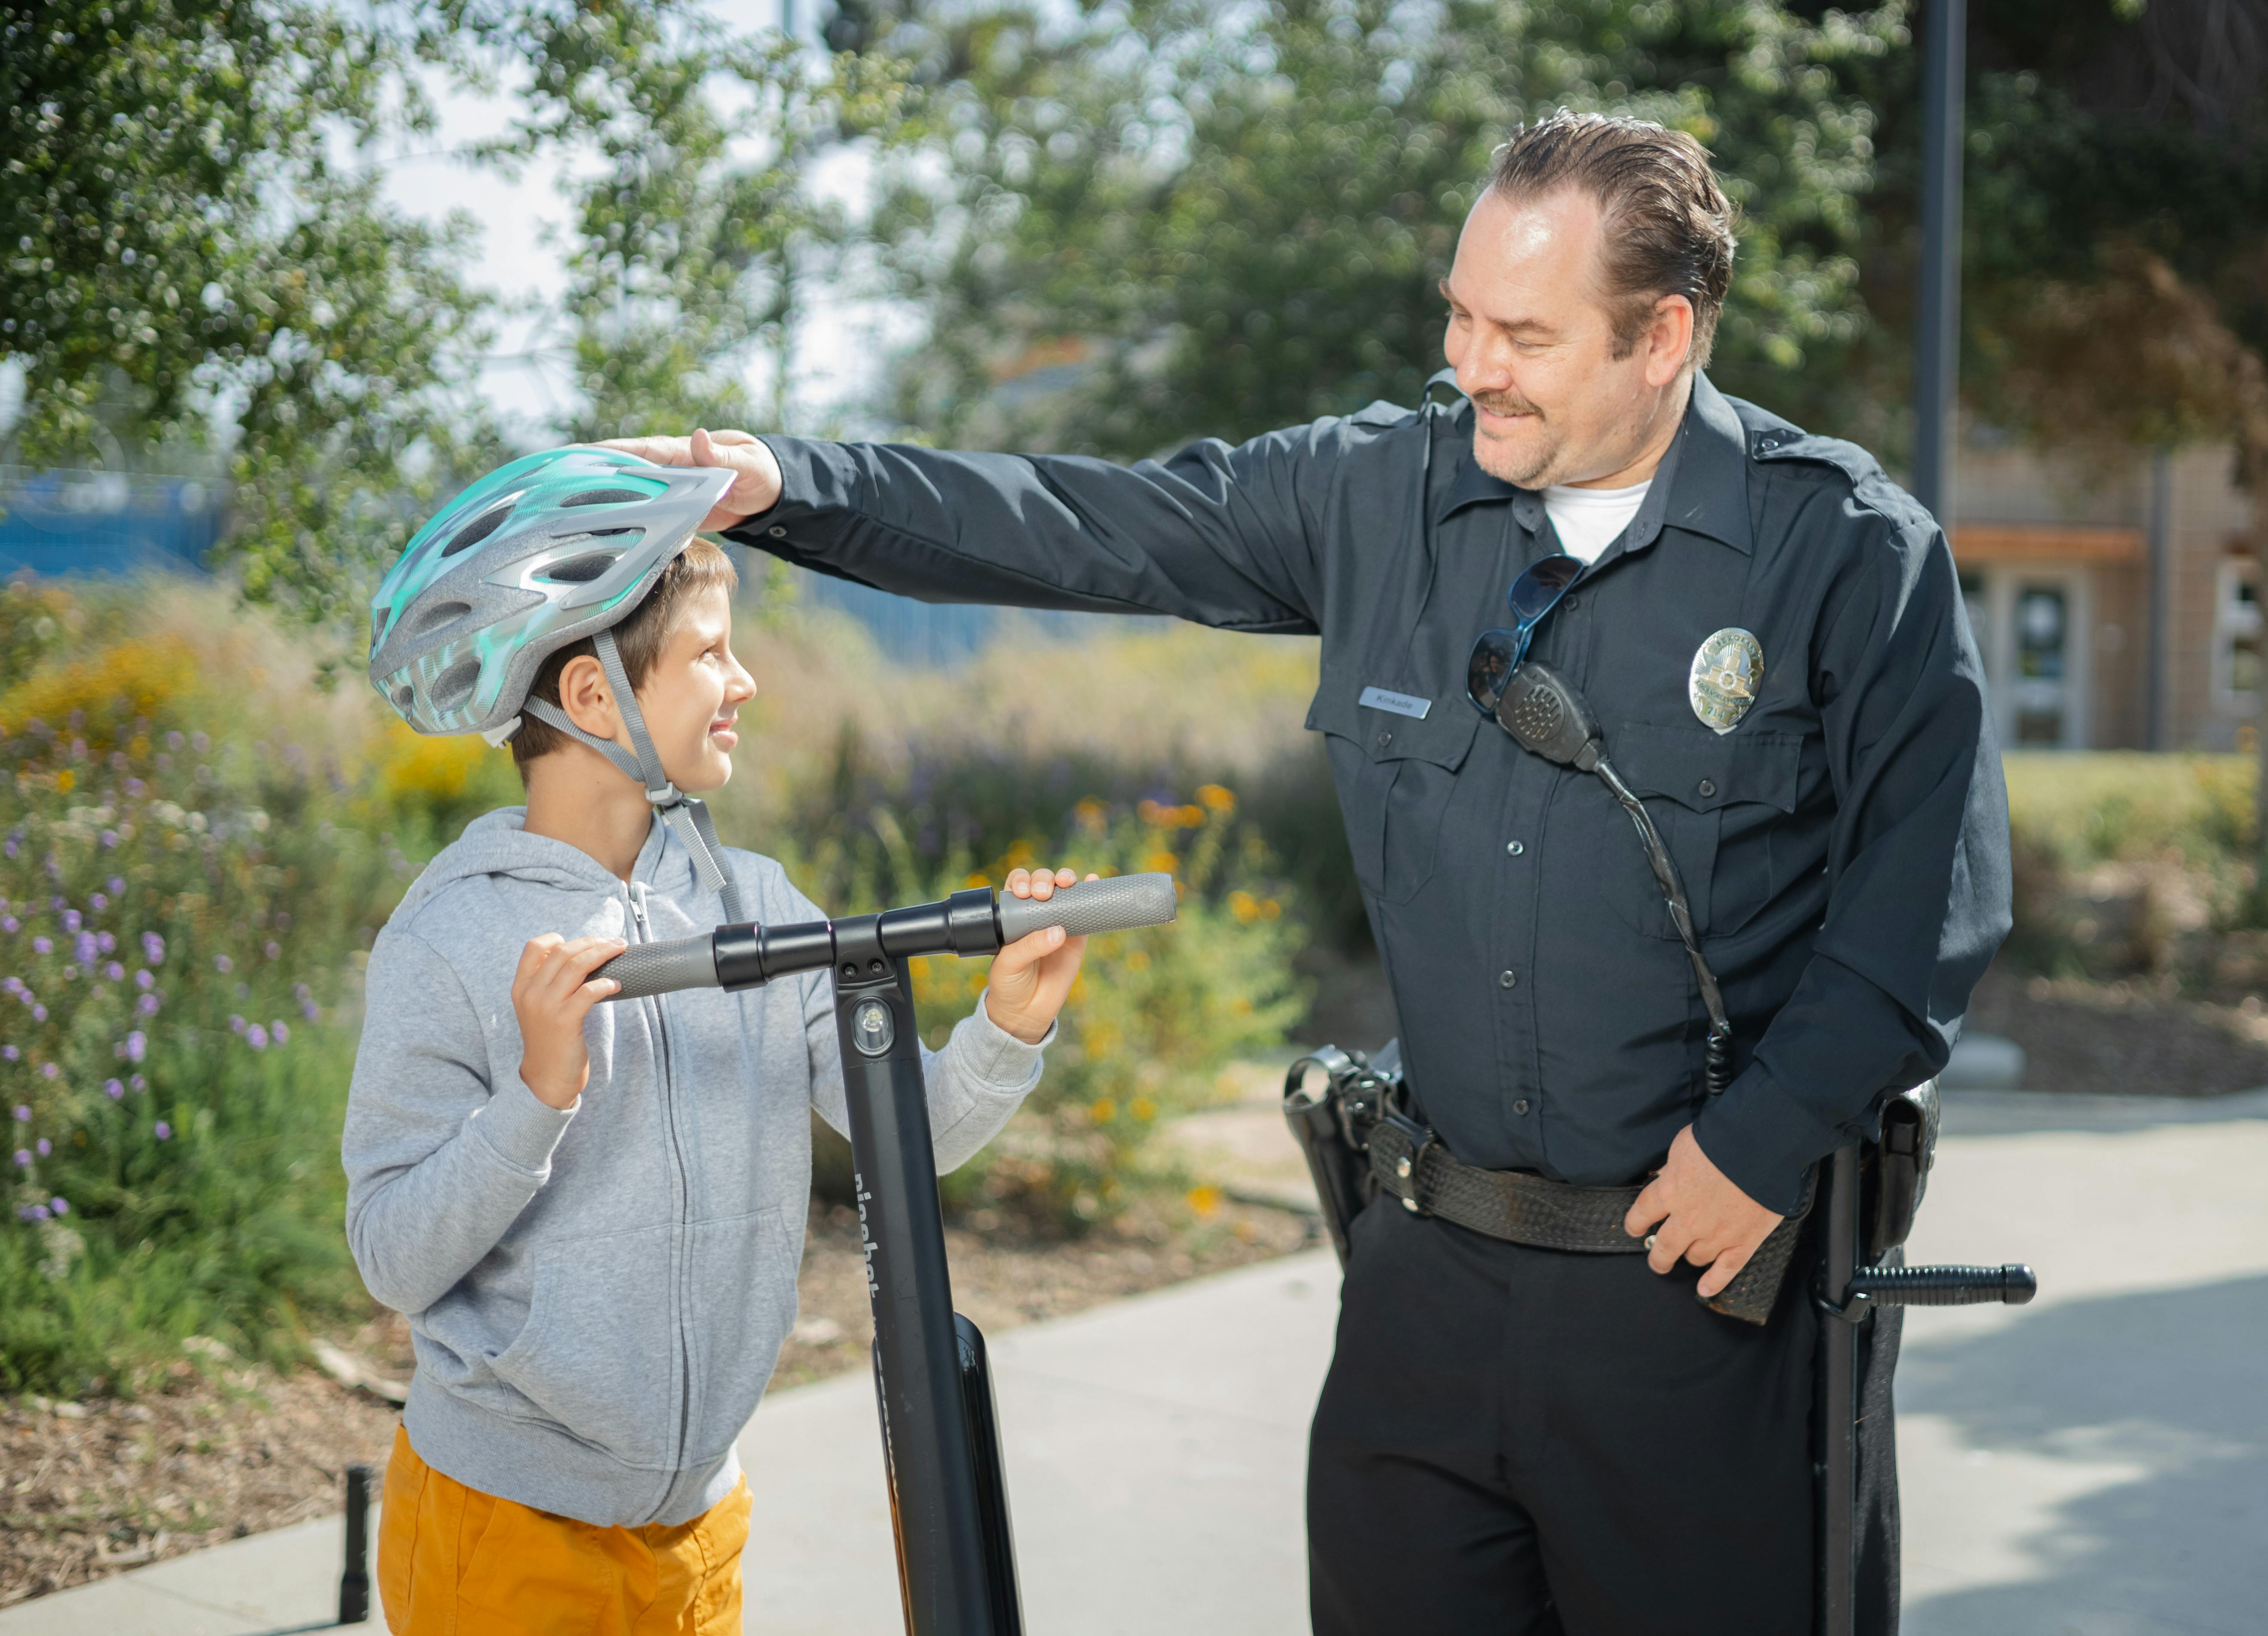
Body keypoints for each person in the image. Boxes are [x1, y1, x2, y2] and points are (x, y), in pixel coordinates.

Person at [608, 112, 2012, 1635]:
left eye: (1524, 334)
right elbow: (1089, 524)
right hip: (1425, 1297)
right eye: (1461, 315)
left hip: (1700, 1300)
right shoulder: (1377, 495)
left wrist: (1767, 1138)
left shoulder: (1847, 551)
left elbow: (1929, 893)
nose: (1475, 362)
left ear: (1662, 335)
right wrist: (784, 486)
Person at [341, 445, 1097, 1635]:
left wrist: (1009, 1023)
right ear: (595, 700)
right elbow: (391, 1255)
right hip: (508, 1524)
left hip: (699, 1526)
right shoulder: (456, 936)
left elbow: (912, 1139)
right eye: (708, 654)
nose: (743, 682)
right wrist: (535, 1098)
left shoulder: (755, 904)